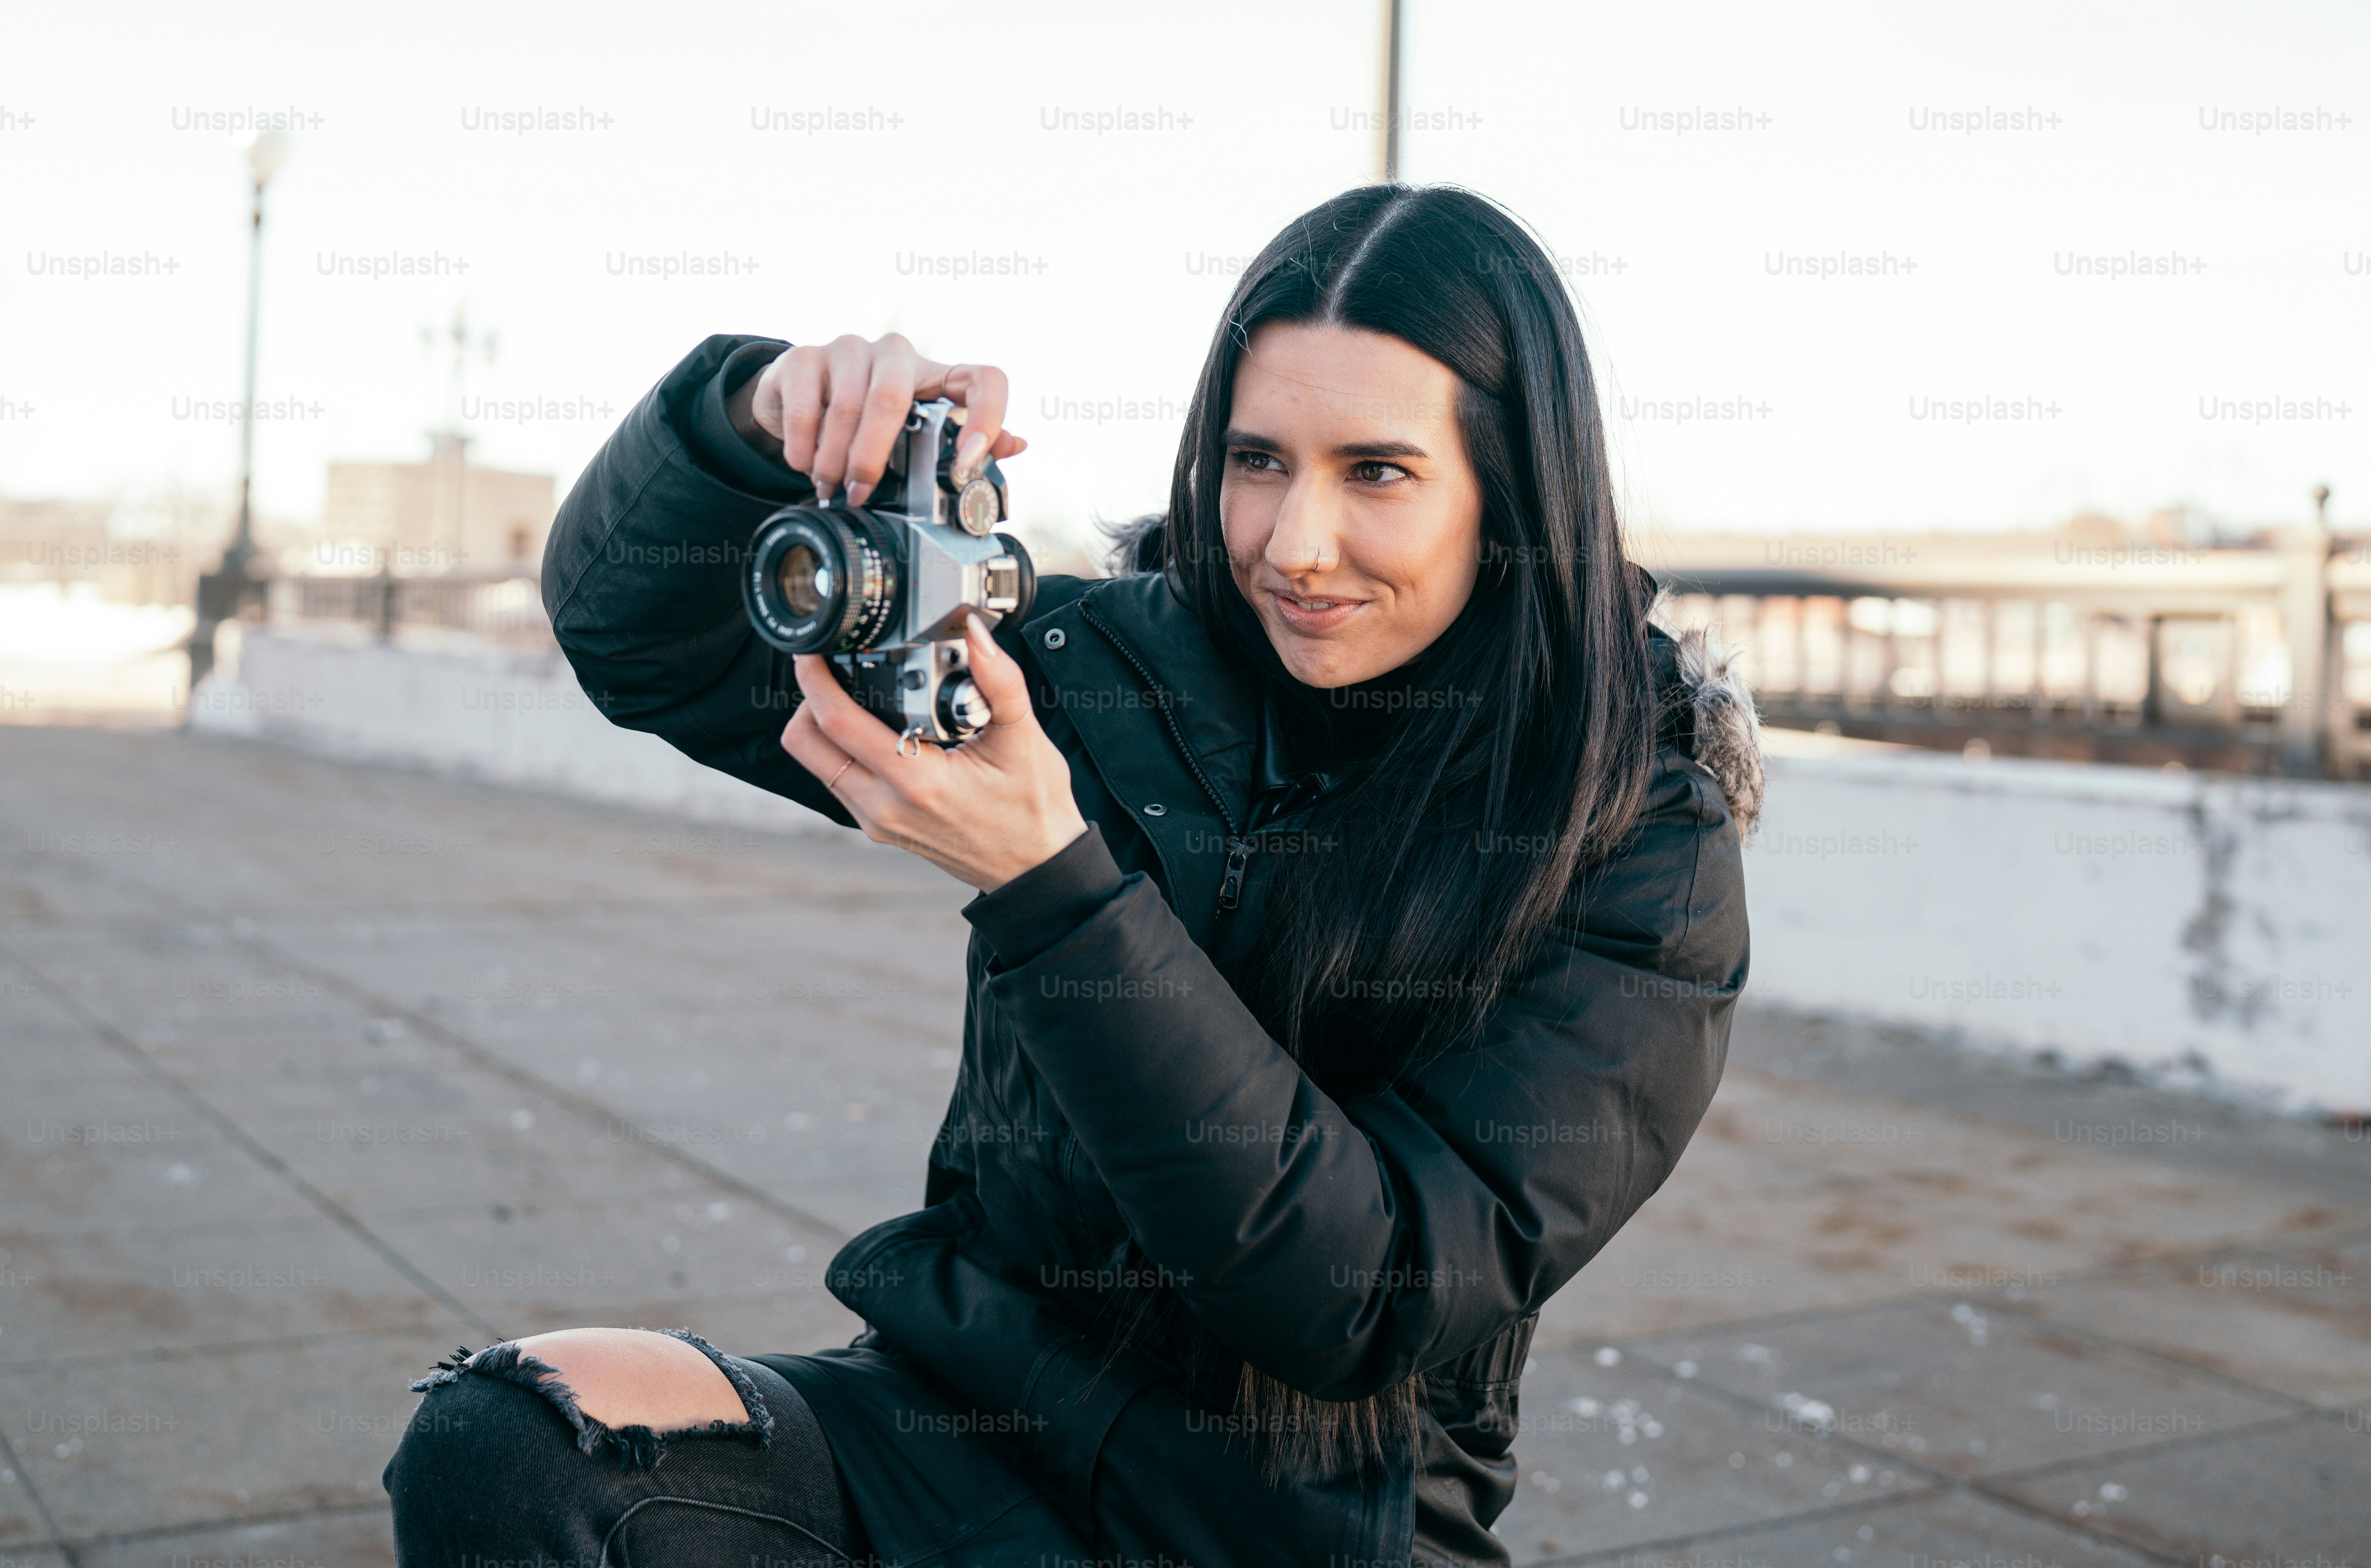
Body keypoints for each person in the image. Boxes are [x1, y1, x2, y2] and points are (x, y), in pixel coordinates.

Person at [382, 183, 1761, 1567]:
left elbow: (1363, 1293)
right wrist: (752, 415)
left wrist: (1055, 884)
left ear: (1510, 492)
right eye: (1258, 460)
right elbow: (639, 638)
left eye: (1378, 473)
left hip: (1300, 1526)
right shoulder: (1093, 668)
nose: (1294, 544)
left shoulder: (1632, 838)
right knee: (516, 1449)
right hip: (955, 1427)